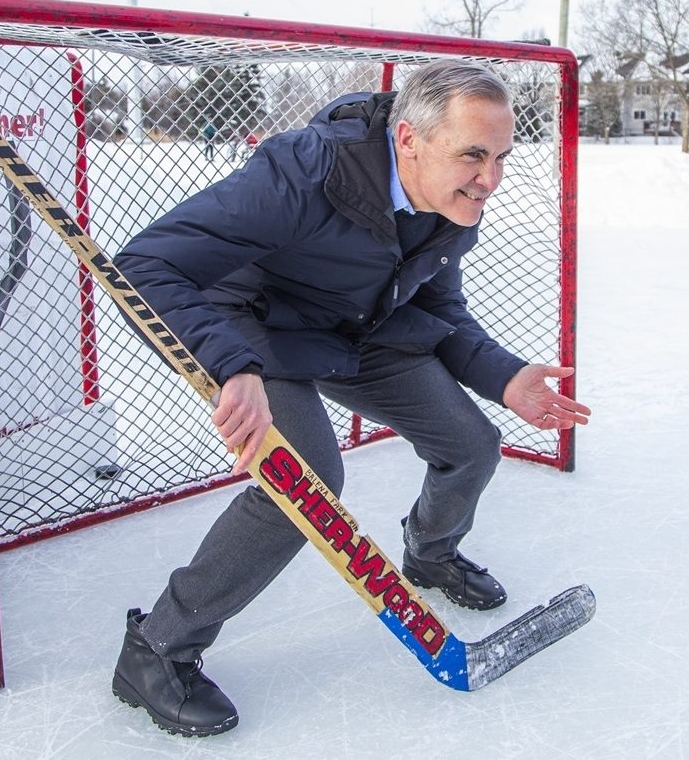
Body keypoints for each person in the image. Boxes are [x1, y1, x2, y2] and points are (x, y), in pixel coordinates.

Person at [109, 59, 591, 736]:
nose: (491, 180)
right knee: (301, 483)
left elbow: (438, 306)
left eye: (502, 156)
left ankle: (429, 552)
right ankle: (158, 648)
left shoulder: (453, 200)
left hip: (357, 330)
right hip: (257, 330)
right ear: (409, 142)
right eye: (474, 156)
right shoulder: (303, 173)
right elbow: (146, 264)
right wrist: (233, 365)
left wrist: (503, 376)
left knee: (472, 445)